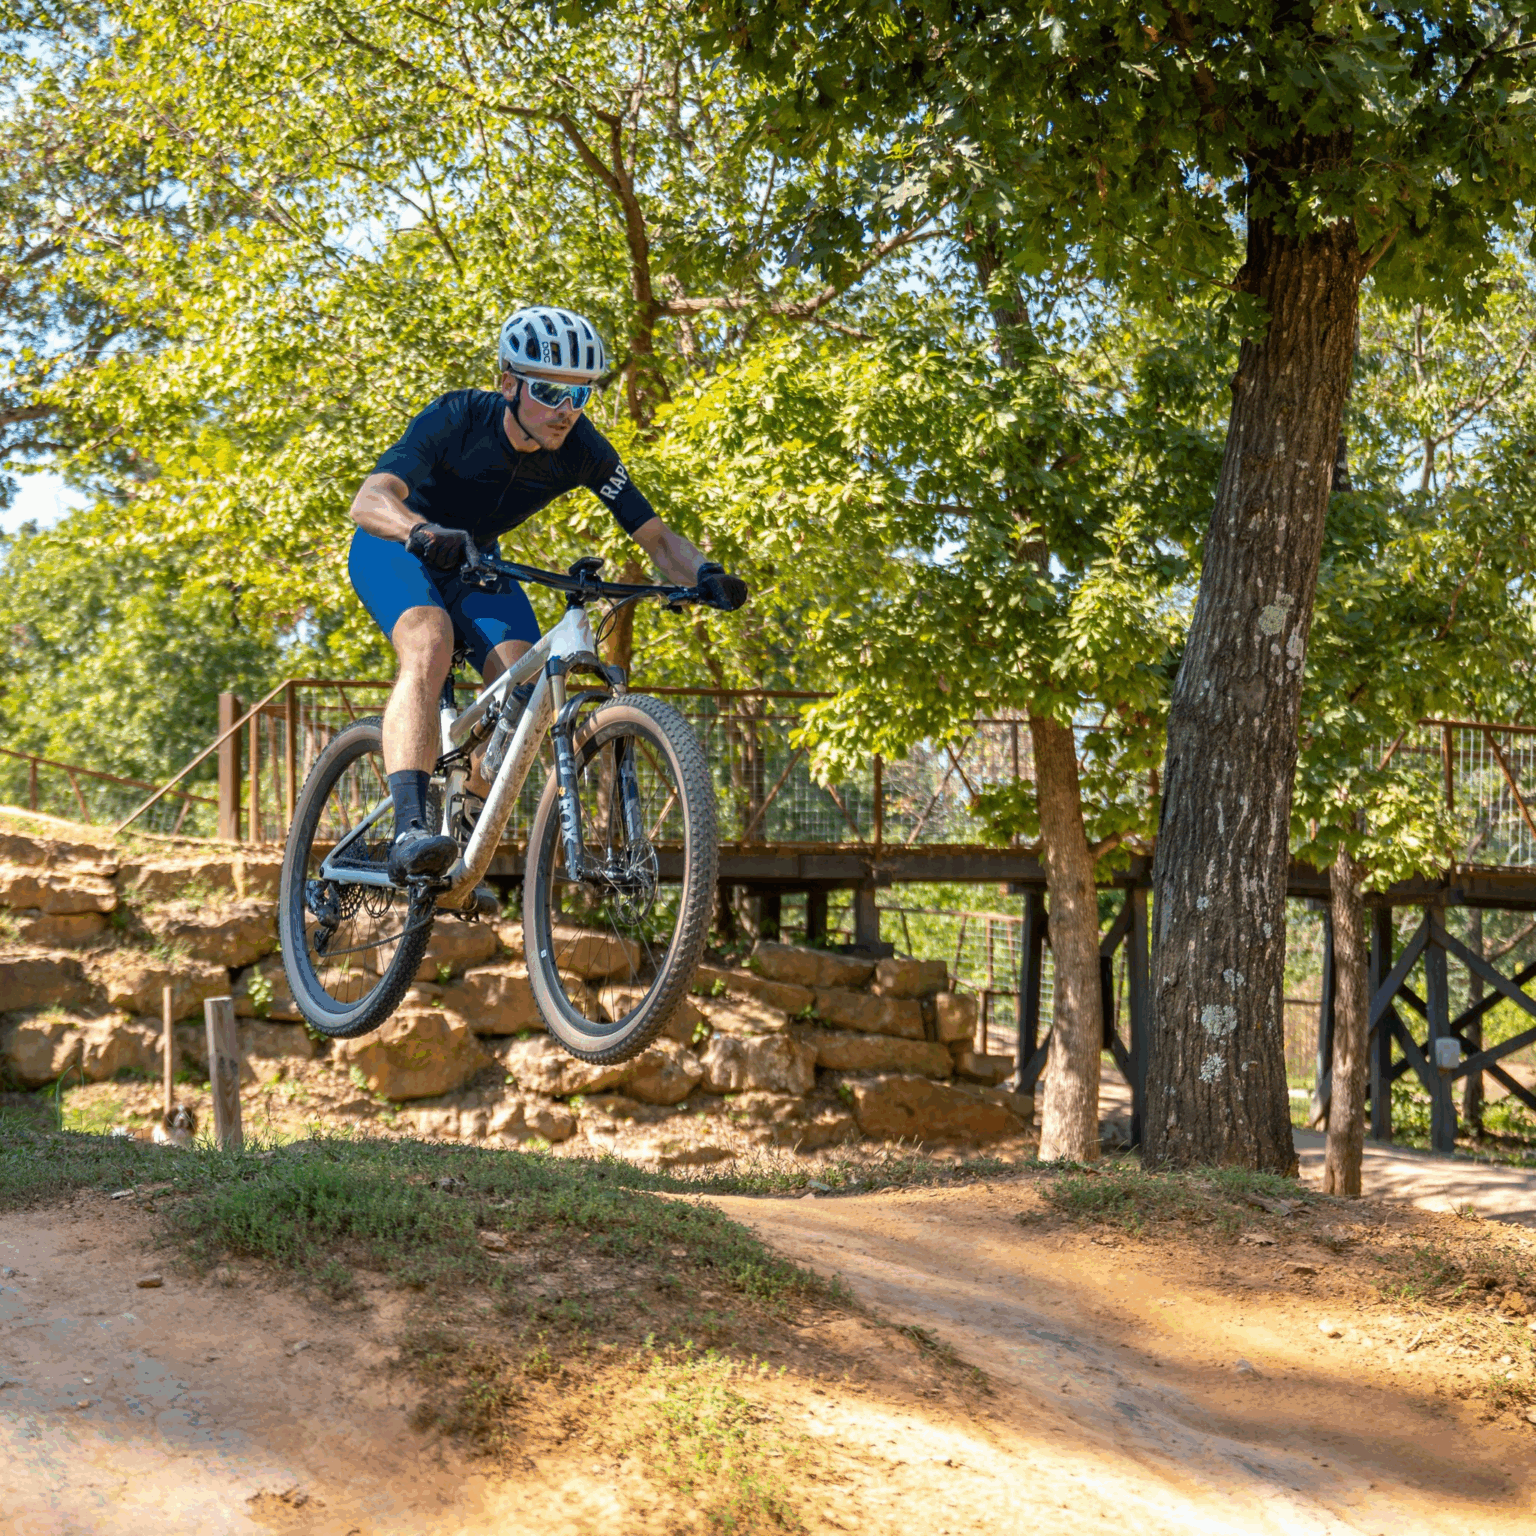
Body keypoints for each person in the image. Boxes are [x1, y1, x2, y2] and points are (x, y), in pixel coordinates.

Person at [348, 304, 747, 883]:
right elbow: (369, 499)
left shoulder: (583, 448)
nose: (565, 411)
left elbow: (657, 539)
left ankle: (459, 837)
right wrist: (418, 530)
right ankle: (410, 829)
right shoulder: (456, 416)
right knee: (429, 645)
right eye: (548, 391)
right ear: (507, 383)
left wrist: (705, 574)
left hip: (478, 561)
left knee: (525, 691)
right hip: (399, 544)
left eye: (579, 395)